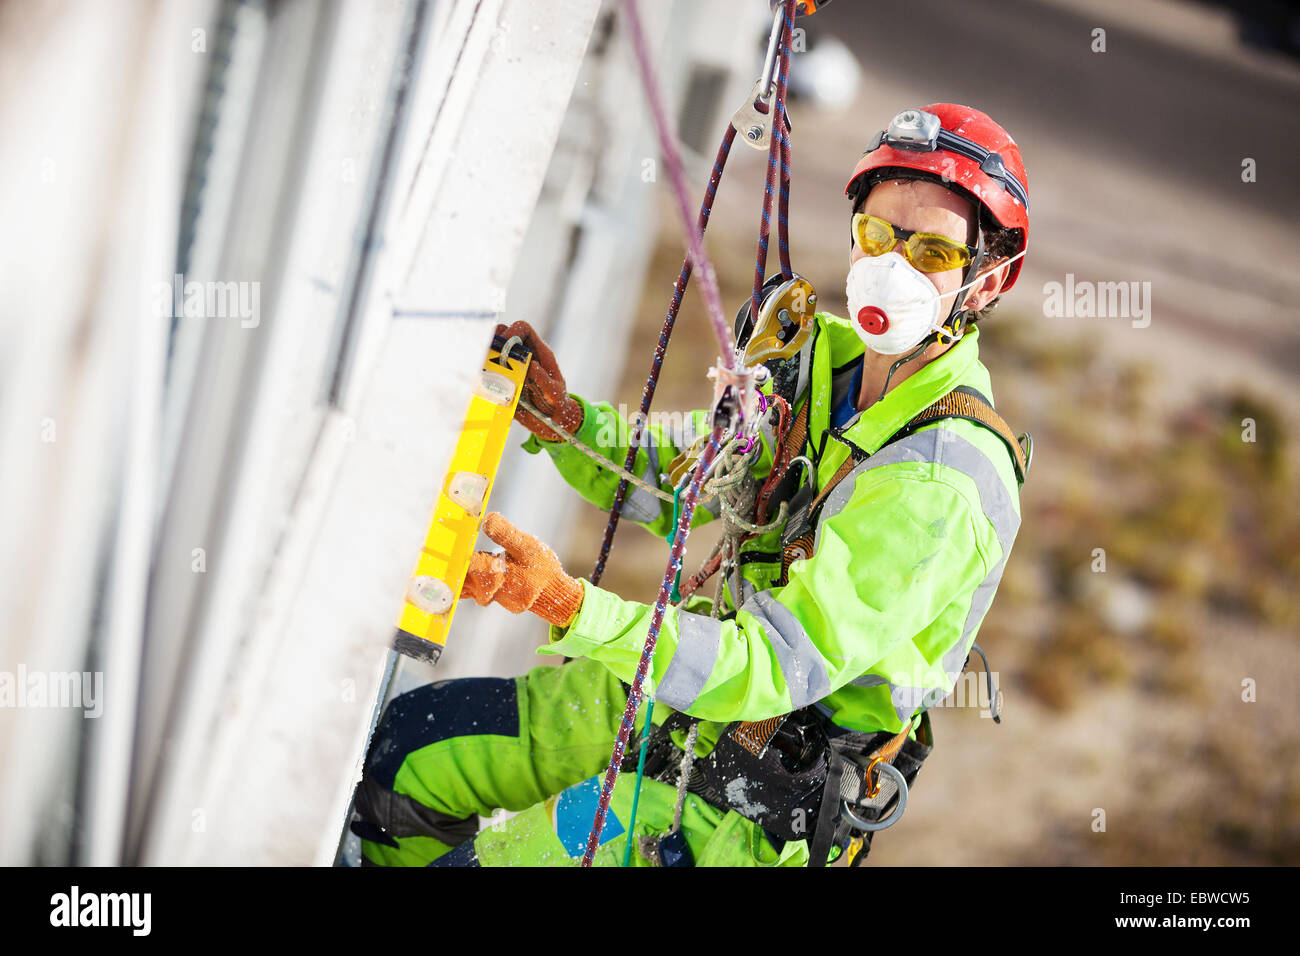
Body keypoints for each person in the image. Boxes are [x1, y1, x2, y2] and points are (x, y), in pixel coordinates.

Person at [350, 103, 1031, 867]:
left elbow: (769, 664)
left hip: (752, 796)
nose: (894, 266)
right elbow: (693, 481)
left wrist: (571, 607)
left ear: (987, 280)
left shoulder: (940, 484)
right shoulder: (820, 365)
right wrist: (568, 422)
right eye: (879, 235)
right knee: (405, 757)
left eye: (933, 251)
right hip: (678, 692)